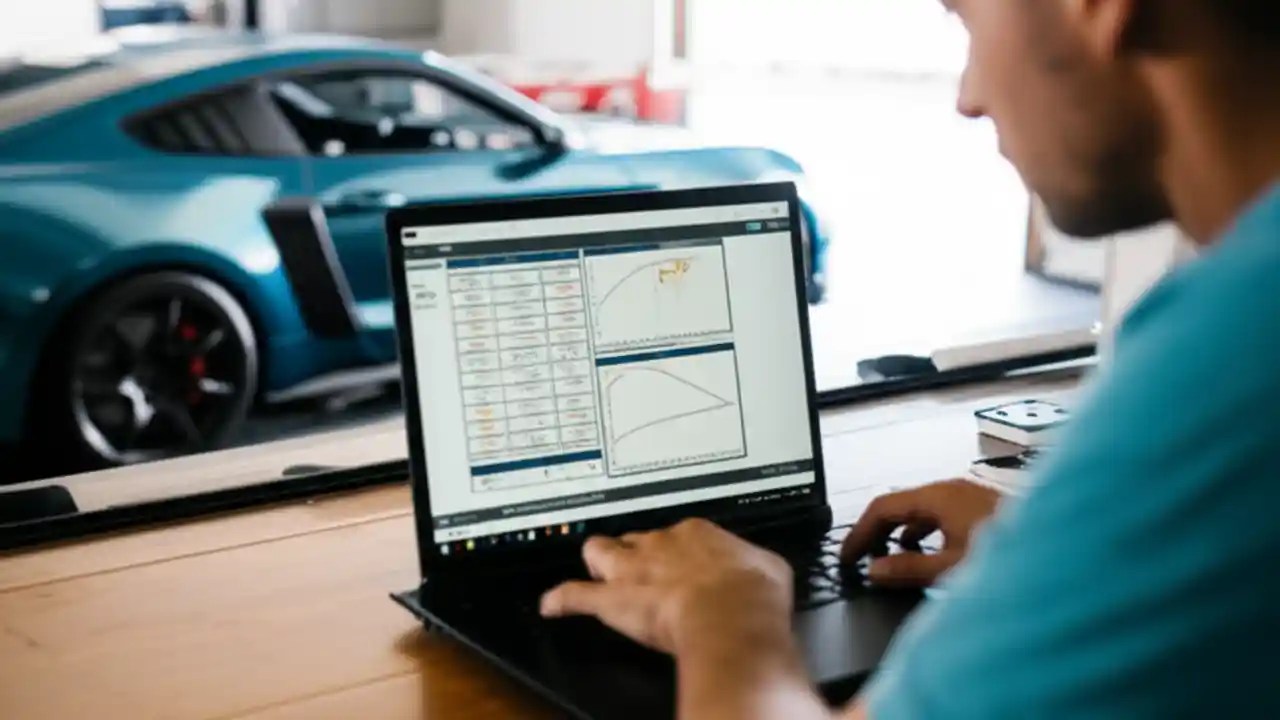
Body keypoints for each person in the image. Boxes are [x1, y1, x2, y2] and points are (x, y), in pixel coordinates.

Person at [541, 0, 1280, 716]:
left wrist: (724, 620)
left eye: (965, 15)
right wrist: (1066, 546)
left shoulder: (1234, 349)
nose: (970, 95)